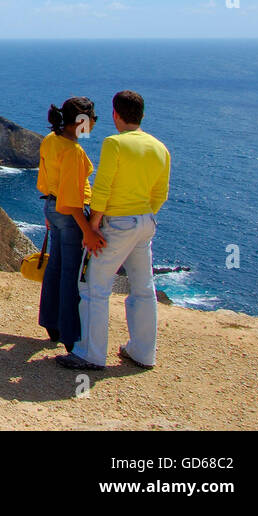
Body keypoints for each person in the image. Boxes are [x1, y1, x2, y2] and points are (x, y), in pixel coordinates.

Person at [58, 90, 171, 371]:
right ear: (141, 115)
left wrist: (92, 226)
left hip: (118, 223)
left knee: (94, 287)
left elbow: (103, 188)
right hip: (145, 221)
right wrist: (144, 214)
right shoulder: (160, 147)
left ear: (115, 115)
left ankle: (91, 354)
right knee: (144, 287)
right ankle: (143, 353)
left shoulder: (114, 144)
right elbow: (161, 193)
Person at [37, 96, 104, 350]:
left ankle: (51, 323)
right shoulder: (74, 152)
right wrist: (88, 230)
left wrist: (50, 212)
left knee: (55, 266)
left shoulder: (50, 140)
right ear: (81, 122)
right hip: (69, 213)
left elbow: (47, 179)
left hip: (51, 207)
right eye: (93, 119)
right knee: (71, 274)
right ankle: (70, 336)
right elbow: (73, 199)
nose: (94, 124)